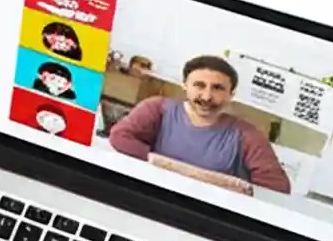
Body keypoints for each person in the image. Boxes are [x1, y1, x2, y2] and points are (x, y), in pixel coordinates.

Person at [107, 55, 291, 194]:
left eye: (218, 88)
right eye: (199, 85)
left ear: (231, 94)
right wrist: (175, 168)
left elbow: (277, 188)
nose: (207, 96)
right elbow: (119, 137)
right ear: (185, 85)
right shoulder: (157, 108)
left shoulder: (247, 135)